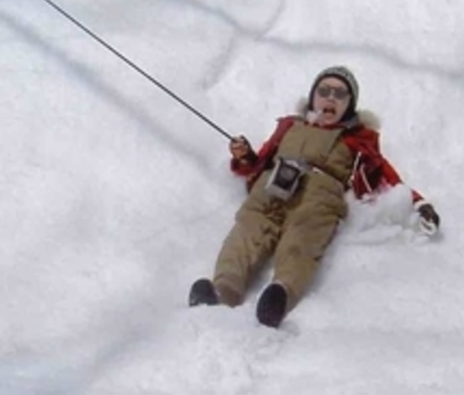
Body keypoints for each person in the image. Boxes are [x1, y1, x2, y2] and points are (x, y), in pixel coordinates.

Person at [188, 65, 439, 328]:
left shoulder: (356, 140)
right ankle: (223, 289)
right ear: (312, 97)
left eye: (340, 94)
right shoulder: (289, 126)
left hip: (319, 194)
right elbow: (260, 161)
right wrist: (245, 156)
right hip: (271, 184)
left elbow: (387, 177)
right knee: (247, 231)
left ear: (349, 105)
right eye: (324, 91)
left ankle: (282, 293)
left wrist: (418, 202)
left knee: (304, 238)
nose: (331, 98)